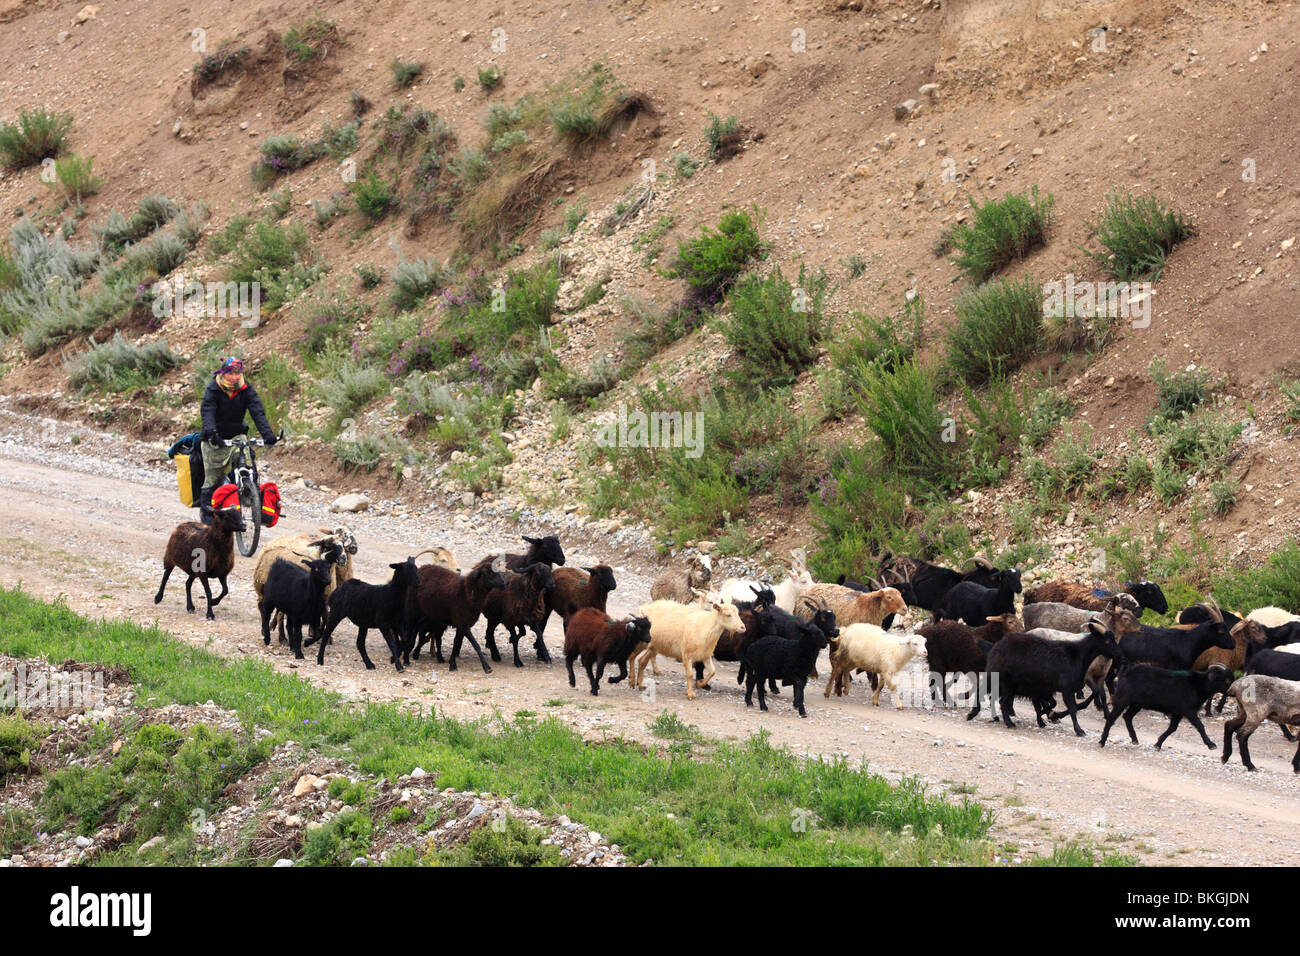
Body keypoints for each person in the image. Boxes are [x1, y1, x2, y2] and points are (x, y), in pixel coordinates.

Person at [198, 357, 278, 524]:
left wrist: (268, 435)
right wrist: (211, 432)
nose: (234, 377)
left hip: (236, 434)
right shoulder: (214, 389)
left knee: (249, 465)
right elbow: (207, 411)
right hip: (215, 437)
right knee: (212, 480)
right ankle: (206, 523)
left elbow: (257, 411)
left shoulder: (245, 388)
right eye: (230, 373)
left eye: (238, 373)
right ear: (223, 373)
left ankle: (254, 501)